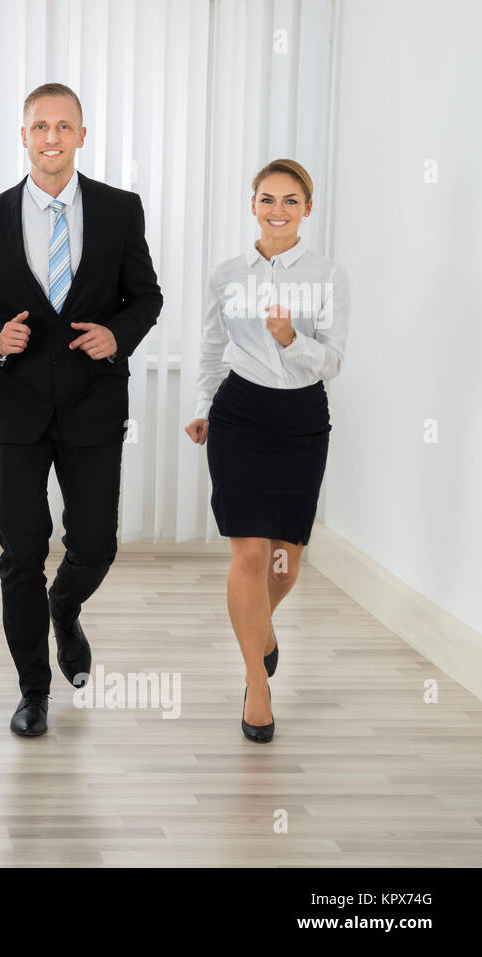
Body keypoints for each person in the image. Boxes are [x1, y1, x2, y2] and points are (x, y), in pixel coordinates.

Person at [0, 83, 162, 738]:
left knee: (95, 542)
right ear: (24, 136)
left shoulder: (121, 210)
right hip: (14, 410)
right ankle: (33, 689)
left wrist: (117, 335)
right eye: (41, 125)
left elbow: (146, 296)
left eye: (64, 126)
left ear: (81, 136)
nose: (52, 137)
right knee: (21, 549)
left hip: (94, 402)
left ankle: (63, 607)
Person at [185, 158, 349, 743]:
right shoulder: (228, 274)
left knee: (286, 560)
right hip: (240, 415)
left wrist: (291, 339)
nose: (277, 210)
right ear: (252, 204)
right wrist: (203, 407)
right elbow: (210, 346)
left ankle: (263, 632)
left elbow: (332, 360)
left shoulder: (329, 276)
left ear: (308, 208)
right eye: (266, 199)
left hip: (303, 418)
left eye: (289, 200)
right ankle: (257, 681)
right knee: (250, 556)